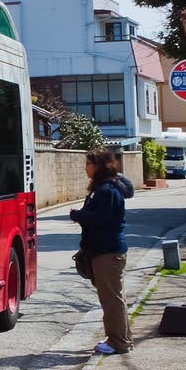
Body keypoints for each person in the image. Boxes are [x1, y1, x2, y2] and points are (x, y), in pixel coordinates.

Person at [69, 148, 135, 355]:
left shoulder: (106, 190)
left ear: (97, 166)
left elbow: (101, 220)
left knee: (112, 299)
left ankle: (118, 342)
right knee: (112, 298)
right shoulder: (104, 188)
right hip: (104, 250)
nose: (85, 167)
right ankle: (120, 338)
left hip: (107, 251)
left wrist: (78, 215)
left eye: (88, 163)